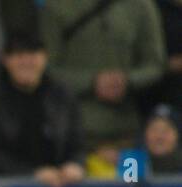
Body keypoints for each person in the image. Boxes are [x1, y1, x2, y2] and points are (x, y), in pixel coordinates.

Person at [41, 0, 166, 157]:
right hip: (74, 141)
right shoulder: (56, 7)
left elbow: (156, 64)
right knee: (77, 179)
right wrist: (92, 83)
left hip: (129, 138)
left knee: (132, 180)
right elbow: (45, 69)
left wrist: (128, 81)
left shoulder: (141, 6)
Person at [0, 32, 84, 187]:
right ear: (5, 60)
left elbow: (77, 143)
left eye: (33, 54)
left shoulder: (63, 95)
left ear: (45, 57)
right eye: (19, 55)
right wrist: (33, 173)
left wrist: (75, 165)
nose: (27, 61)